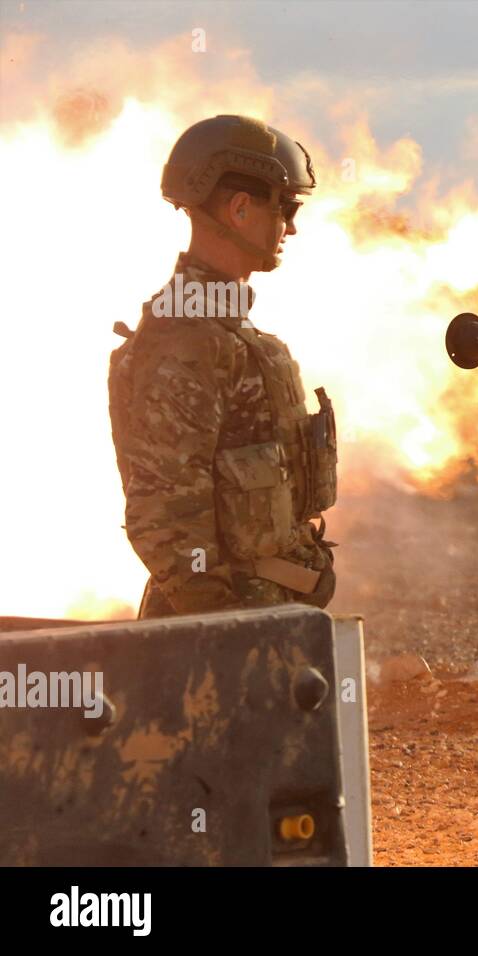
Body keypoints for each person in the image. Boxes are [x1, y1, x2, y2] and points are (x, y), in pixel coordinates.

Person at [108, 114, 338, 619]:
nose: (291, 227)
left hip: (260, 621)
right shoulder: (183, 342)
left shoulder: (222, 332)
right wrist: (222, 637)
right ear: (239, 209)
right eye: (286, 207)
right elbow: (162, 519)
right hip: (218, 640)